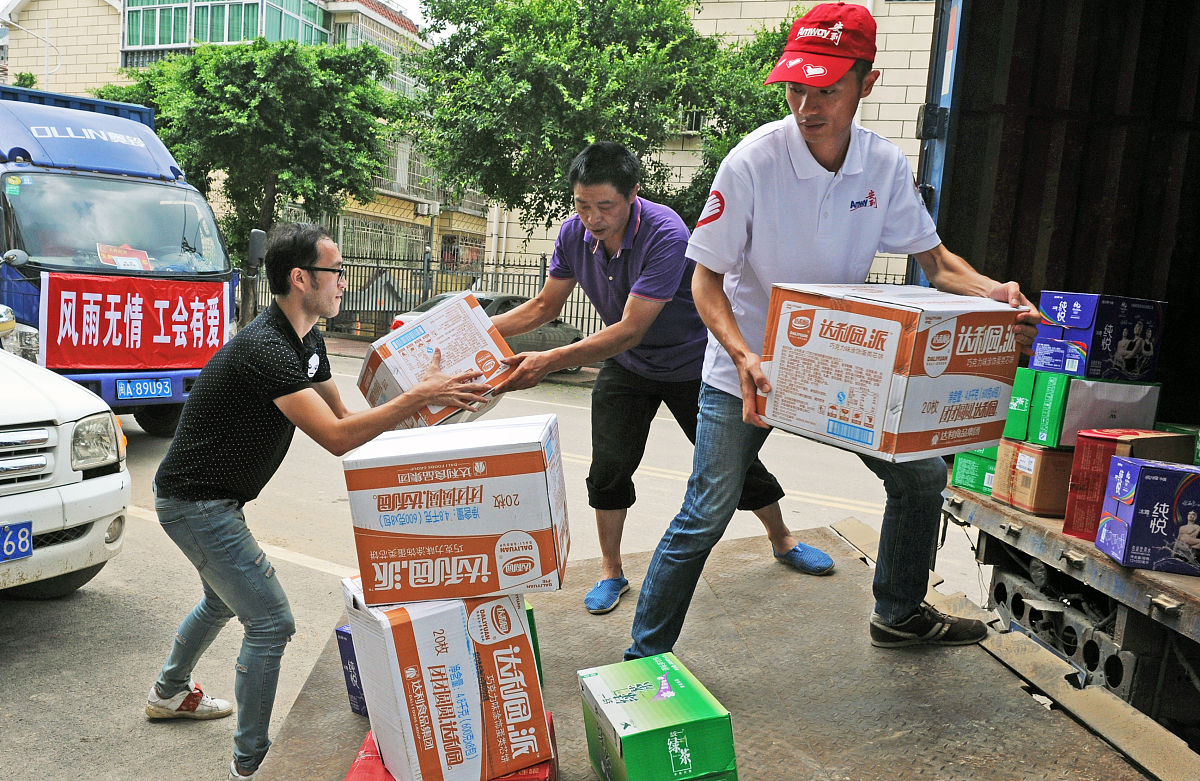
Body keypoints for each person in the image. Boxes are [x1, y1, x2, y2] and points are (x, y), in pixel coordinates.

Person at [625, 2, 1041, 660]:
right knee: (707, 510)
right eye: (796, 88)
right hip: (748, 368)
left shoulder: (883, 165)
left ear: (867, 83)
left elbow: (936, 263)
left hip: (840, 365)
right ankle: (644, 660)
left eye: (826, 89)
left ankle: (898, 613)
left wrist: (995, 294)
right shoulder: (752, 162)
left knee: (920, 477)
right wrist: (743, 355)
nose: (807, 105)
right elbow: (705, 281)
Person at [145, 223, 489, 780]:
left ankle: (169, 692)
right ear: (301, 278)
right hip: (196, 504)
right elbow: (335, 438)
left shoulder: (307, 341)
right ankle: (251, 764)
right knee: (271, 623)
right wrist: (416, 398)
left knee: (222, 600)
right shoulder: (266, 348)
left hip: (212, 500)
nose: (345, 282)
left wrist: (420, 402)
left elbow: (349, 418)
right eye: (337, 271)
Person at [490, 142, 832, 617]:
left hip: (693, 366)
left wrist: (548, 360)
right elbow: (544, 306)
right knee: (609, 468)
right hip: (627, 366)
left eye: (605, 206)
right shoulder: (572, 235)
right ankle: (611, 570)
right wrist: (472, 327)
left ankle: (782, 538)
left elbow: (631, 328)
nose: (593, 218)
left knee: (731, 464)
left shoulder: (666, 232)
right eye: (582, 205)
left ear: (633, 193)